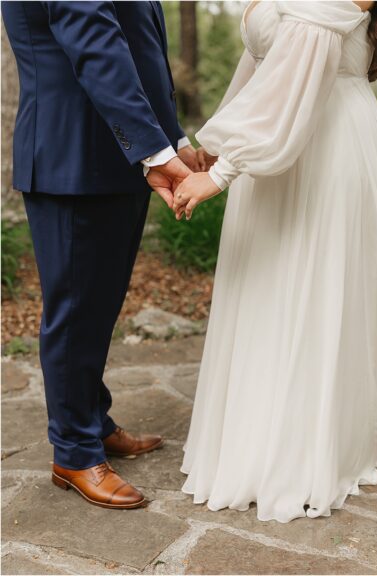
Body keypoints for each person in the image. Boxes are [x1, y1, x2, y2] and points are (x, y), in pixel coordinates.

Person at [171, 1, 377, 522]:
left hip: (323, 141)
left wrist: (225, 169)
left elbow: (302, 59)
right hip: (270, 139)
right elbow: (262, 61)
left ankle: (303, 454)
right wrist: (217, 143)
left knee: (312, 293)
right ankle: (248, 439)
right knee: (263, 287)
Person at [1, 1, 199, 509]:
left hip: (121, 156)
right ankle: (73, 451)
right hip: (73, 155)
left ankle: (92, 420)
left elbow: (139, 45)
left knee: (98, 306)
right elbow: (93, 39)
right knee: (75, 311)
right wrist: (155, 152)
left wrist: (170, 140)